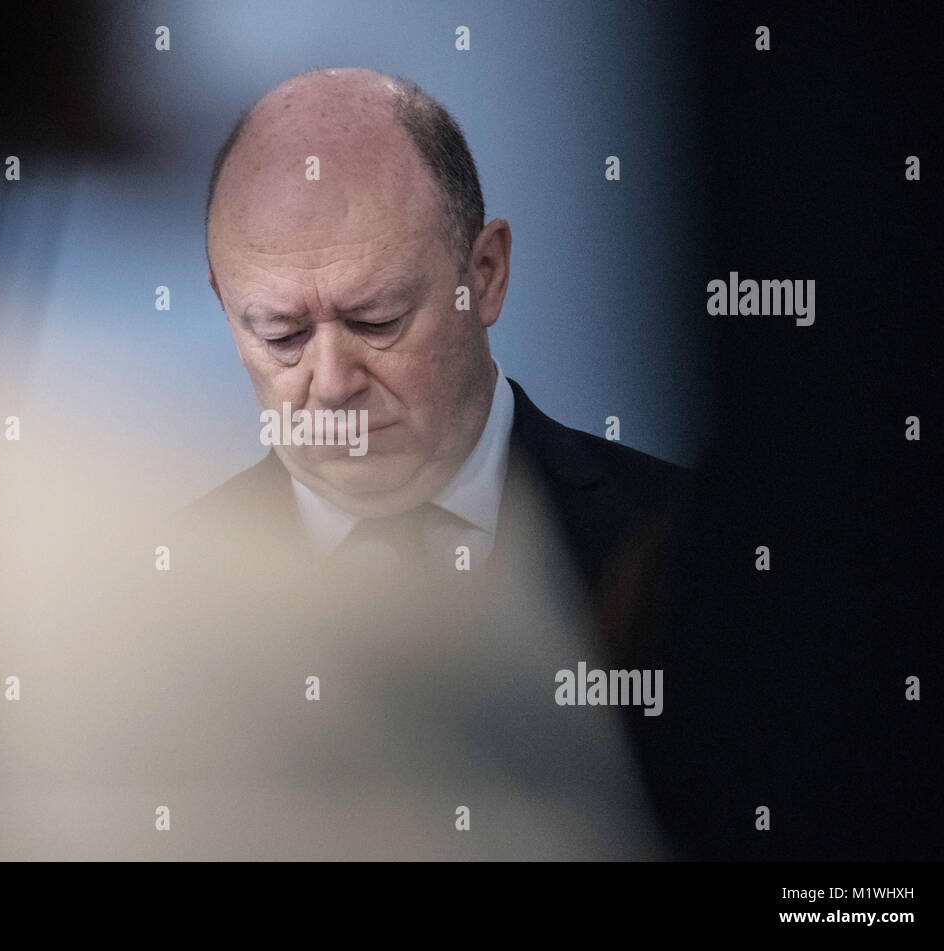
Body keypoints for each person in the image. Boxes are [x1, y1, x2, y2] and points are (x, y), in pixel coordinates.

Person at [138, 68, 697, 859]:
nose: (331, 385)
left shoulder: (691, 547)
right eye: (280, 334)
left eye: (376, 319)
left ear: (486, 276)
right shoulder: (144, 605)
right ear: (224, 310)